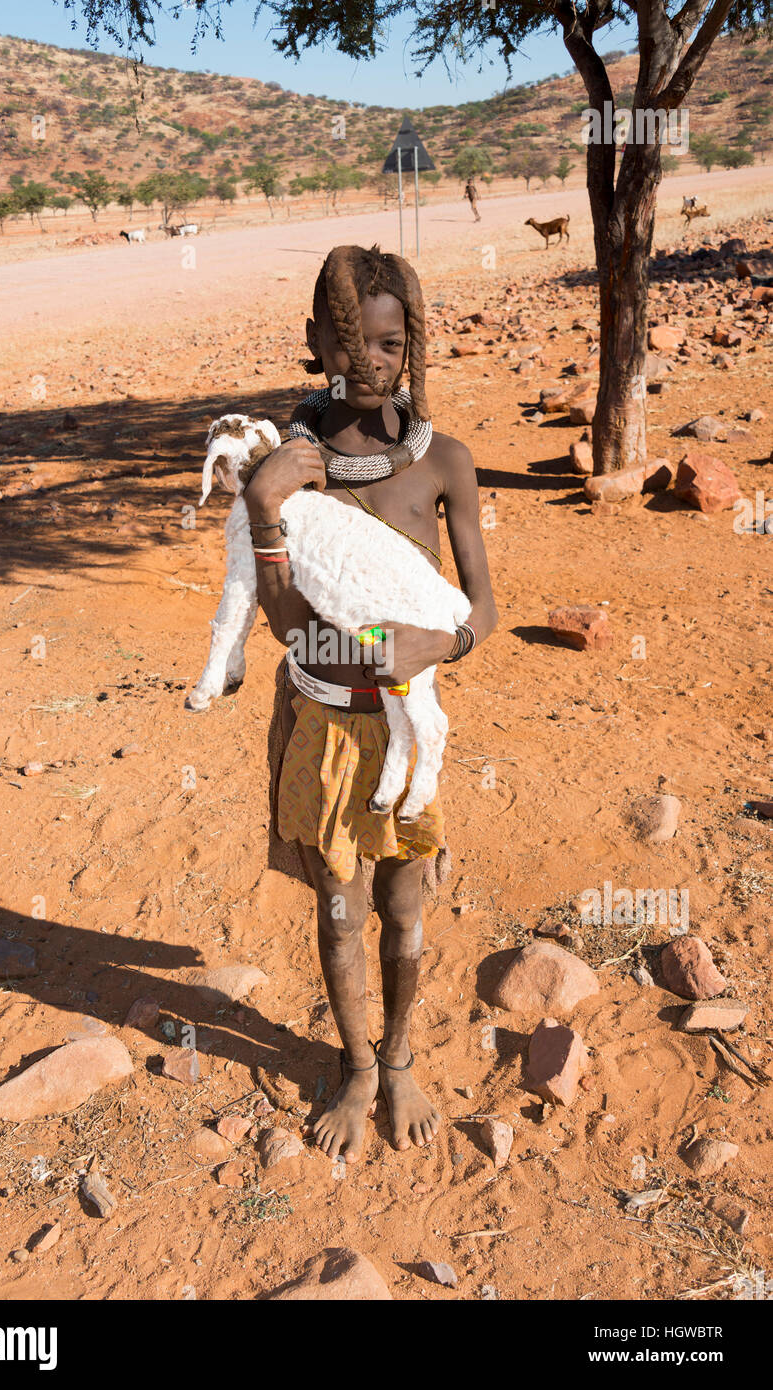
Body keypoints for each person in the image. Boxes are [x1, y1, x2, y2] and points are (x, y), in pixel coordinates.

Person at [243, 244, 498, 1163]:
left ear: (412, 346)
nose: (369, 363)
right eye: (348, 346)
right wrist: (266, 510)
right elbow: (281, 626)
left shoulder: (443, 466)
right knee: (339, 908)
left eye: (389, 345)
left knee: (404, 902)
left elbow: (484, 607)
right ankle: (354, 1067)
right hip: (322, 721)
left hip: (406, 730)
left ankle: (398, 1060)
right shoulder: (284, 467)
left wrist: (445, 641)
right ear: (314, 343)